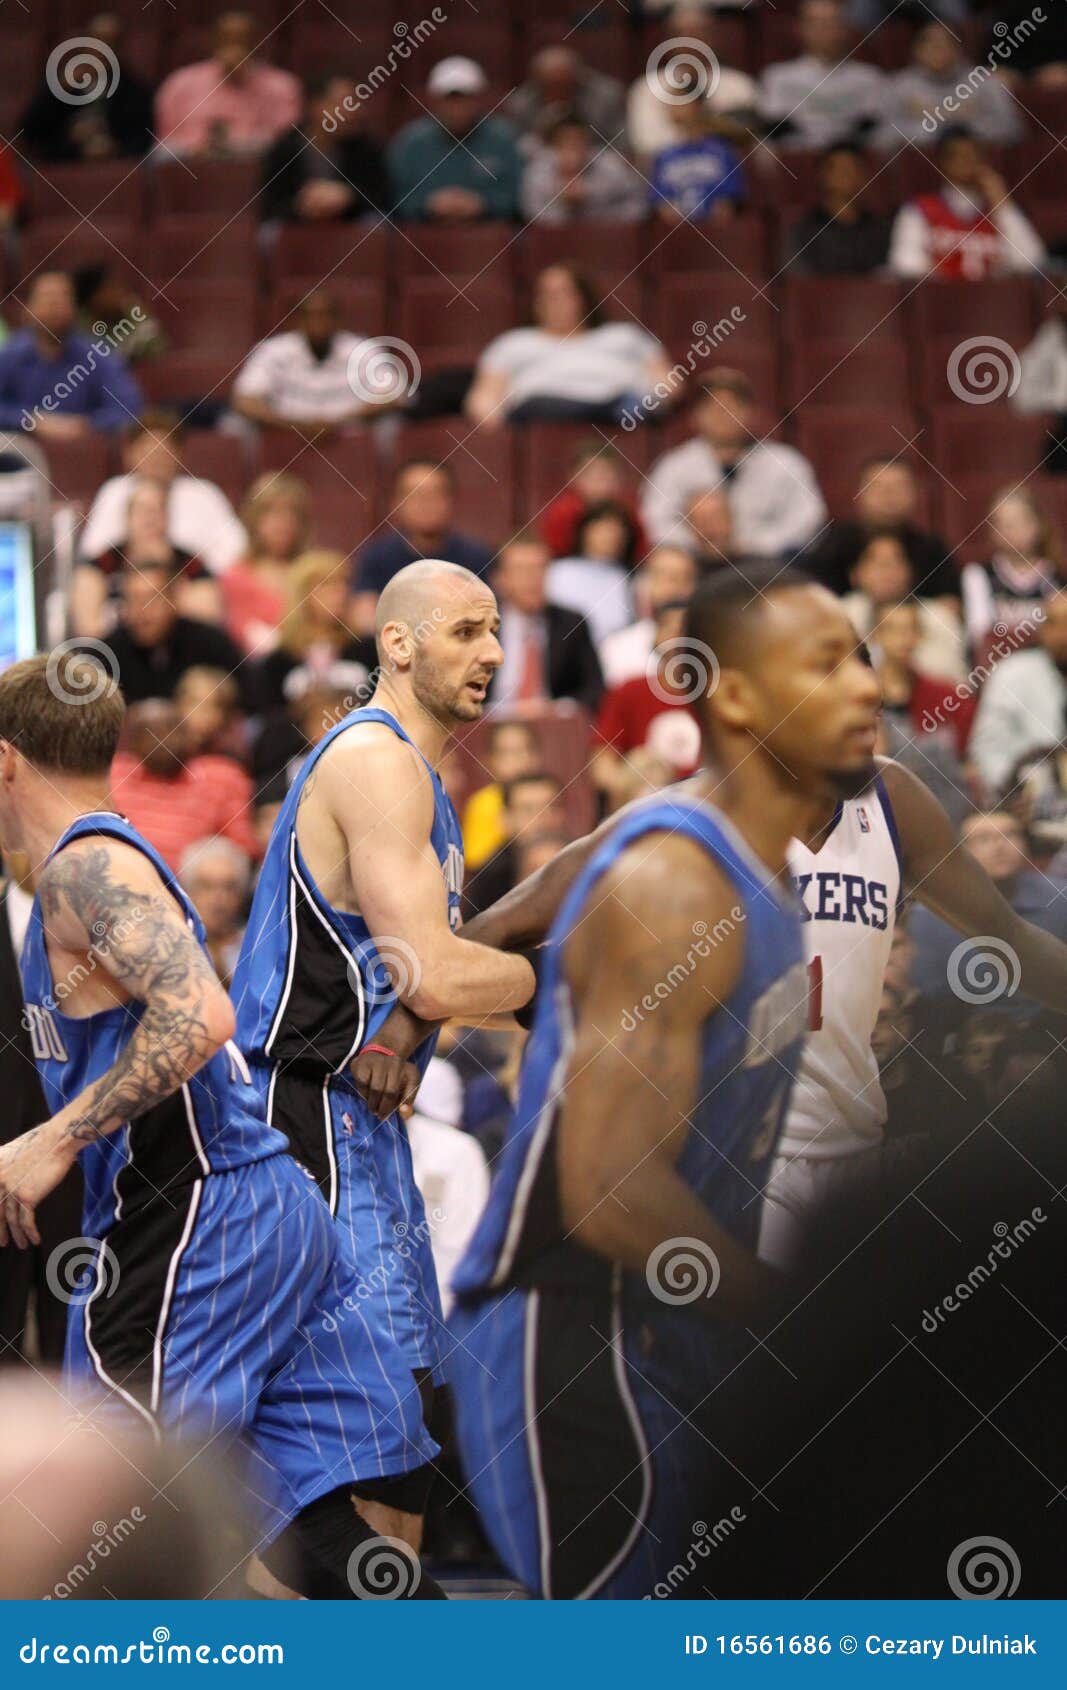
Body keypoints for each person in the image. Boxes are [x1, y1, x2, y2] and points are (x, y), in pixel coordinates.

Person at [446, 564, 883, 1597]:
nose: (865, 686)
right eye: (825, 663)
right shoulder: (675, 885)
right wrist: (800, 1319)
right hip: (573, 1329)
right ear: (731, 695)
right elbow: (607, 1189)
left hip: (672, 1325)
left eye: (861, 659)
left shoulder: (753, 868)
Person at [0, 653, 444, 1600]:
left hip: (192, 1221)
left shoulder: (86, 867)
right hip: (264, 1206)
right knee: (321, 1530)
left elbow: (200, 1016)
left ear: (5, 764)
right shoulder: (91, 865)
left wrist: (54, 1139)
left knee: (109, 1532)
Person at [230, 561, 538, 1551]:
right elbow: (437, 971)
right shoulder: (374, 759)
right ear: (396, 645)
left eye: (495, 630)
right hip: (299, 1118)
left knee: (392, 1431)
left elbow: (405, 980)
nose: (491, 650)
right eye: (464, 630)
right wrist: (556, 977)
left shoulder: (421, 776)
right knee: (353, 1433)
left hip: (355, 1120)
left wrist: (405, 1030)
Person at [760, 765, 1067, 1268]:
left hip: (857, 1142)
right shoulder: (689, 817)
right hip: (749, 1157)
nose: (864, 691)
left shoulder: (892, 795)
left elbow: (1005, 935)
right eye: (832, 680)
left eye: (870, 681)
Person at [904, 809, 1067, 1027]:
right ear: (961, 852)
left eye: (1010, 835)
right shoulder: (931, 916)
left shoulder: (1059, 897)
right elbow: (932, 998)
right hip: (961, 1036)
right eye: (984, 840)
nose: (1000, 847)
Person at [642, 368, 826, 559]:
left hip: (766, 564)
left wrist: (752, 545)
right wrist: (702, 547)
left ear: (750, 412)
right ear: (695, 416)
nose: (722, 414)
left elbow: (808, 519)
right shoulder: (673, 466)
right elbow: (657, 520)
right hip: (695, 566)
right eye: (713, 406)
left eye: (732, 405)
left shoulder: (787, 462)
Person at [466, 262, 672, 430]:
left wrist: (650, 403)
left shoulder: (625, 336)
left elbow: (668, 385)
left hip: (620, 412)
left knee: (629, 406)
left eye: (563, 292)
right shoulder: (512, 343)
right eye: (546, 294)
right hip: (540, 414)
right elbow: (484, 401)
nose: (554, 301)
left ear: (583, 297)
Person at [80, 410, 247, 575]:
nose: (156, 460)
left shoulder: (204, 493)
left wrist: (200, 577)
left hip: (192, 586)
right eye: (147, 451)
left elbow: (236, 550)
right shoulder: (114, 491)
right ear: (129, 455)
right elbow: (93, 550)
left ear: (179, 455)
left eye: (163, 452)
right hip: (127, 586)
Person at [110, 700, 259, 871]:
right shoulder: (113, 774)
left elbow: (243, 849)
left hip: (195, 889)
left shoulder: (223, 777)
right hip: (120, 883)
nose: (162, 740)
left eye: (170, 729)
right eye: (150, 733)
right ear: (133, 742)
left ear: (187, 734)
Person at [352, 460, 494, 632]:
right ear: (396, 503)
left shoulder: (477, 558)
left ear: (451, 501)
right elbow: (364, 621)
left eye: (434, 494)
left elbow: (487, 619)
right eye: (414, 495)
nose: (425, 503)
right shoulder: (376, 558)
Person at [94, 561, 252, 712]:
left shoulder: (212, 644)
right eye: (134, 599)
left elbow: (247, 703)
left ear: (173, 598)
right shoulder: (106, 654)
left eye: (152, 598)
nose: (143, 610)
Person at [72, 478, 220, 639]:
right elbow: (88, 628)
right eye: (142, 510)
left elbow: (207, 617)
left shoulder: (190, 563)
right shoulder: (101, 563)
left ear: (168, 518)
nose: (150, 519)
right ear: (127, 517)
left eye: (157, 511)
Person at [887, 128, 1045, 280]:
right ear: (942, 162)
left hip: (993, 301)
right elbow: (904, 266)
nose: (967, 163)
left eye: (973, 156)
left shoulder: (1001, 211)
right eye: (958, 156)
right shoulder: (918, 209)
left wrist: (1002, 202)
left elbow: (1032, 261)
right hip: (937, 301)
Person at [590, 600, 703, 811]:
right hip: (645, 802)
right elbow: (602, 763)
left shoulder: (717, 694)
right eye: (671, 629)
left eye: (688, 630)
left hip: (705, 801)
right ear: (656, 636)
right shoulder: (630, 690)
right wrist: (631, 791)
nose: (679, 638)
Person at [0, 271, 142, 437]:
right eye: (47, 298)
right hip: (21, 451)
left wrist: (85, 424)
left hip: (83, 449)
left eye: (62, 297)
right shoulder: (9, 355)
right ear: (29, 309)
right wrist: (31, 420)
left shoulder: (97, 356)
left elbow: (129, 408)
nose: (54, 305)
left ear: (74, 307)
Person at [233, 291, 392, 437]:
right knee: (234, 424)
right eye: (310, 316)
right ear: (295, 321)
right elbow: (245, 401)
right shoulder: (272, 350)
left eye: (325, 315)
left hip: (350, 433)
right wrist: (299, 426)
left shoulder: (363, 349)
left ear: (337, 320)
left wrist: (338, 422)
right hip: (285, 432)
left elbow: (394, 396)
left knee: (390, 422)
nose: (318, 322)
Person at [387, 57, 523, 223]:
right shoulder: (411, 141)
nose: (457, 107)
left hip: (488, 232)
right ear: (434, 100)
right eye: (450, 99)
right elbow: (394, 197)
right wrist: (427, 204)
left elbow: (518, 196)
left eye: (465, 98)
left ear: (478, 99)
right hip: (424, 232)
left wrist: (483, 204)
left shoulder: (504, 139)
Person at [804, 453, 958, 599]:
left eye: (898, 487)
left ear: (915, 493)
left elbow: (950, 605)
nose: (888, 495)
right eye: (878, 486)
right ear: (860, 492)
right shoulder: (832, 545)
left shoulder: (932, 549)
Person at [154, 9, 301, 159]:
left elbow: (285, 144)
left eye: (243, 41)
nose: (235, 49)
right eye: (227, 40)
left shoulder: (282, 86)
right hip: (193, 167)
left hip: (255, 170)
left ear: (258, 43)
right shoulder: (180, 83)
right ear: (213, 42)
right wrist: (196, 151)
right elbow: (164, 144)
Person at [247, 550, 376, 717]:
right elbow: (269, 720)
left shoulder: (367, 650)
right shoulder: (279, 661)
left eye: (343, 584)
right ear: (302, 594)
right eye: (326, 584)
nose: (339, 593)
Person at [626, 5, 759, 161]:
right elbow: (646, 144)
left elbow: (748, 139)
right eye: (682, 34)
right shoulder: (646, 88)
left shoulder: (740, 85)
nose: (691, 41)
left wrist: (693, 124)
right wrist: (714, 129)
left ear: (713, 38)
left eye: (699, 33)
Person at [969, 590, 1067, 798]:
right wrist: (1014, 793)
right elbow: (987, 748)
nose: (1063, 634)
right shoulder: (1012, 673)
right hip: (1029, 797)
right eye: (1056, 624)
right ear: (1042, 630)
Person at [490, 533, 604, 711]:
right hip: (491, 726)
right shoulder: (481, 625)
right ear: (500, 579)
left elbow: (594, 689)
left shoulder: (571, 623)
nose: (532, 579)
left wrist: (559, 709)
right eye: (521, 570)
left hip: (553, 726)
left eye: (539, 569)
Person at [19, 11, 154, 161]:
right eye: (96, 41)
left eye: (110, 43)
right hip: (65, 166)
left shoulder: (135, 90)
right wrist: (71, 141)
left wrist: (113, 148)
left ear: (120, 49)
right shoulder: (62, 84)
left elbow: (141, 141)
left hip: (114, 169)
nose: (102, 49)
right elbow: (30, 133)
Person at [260, 71, 389, 225]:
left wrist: (348, 196)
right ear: (315, 106)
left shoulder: (366, 148)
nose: (353, 111)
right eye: (343, 103)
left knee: (376, 223)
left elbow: (381, 198)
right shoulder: (285, 148)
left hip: (350, 222)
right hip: (298, 224)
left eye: (356, 102)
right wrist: (302, 205)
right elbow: (269, 205)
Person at [875, 20, 1024, 151]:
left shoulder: (986, 82)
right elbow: (880, 137)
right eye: (930, 43)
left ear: (960, 49)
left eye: (947, 42)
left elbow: (1013, 129)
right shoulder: (898, 86)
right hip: (920, 168)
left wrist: (966, 130)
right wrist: (930, 131)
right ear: (916, 50)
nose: (939, 49)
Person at [759, 0, 886, 151]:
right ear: (800, 28)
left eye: (831, 22)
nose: (824, 30)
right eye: (815, 23)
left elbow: (879, 132)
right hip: (801, 163)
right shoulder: (777, 77)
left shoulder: (870, 78)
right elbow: (775, 131)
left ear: (845, 28)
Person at [841, 531, 964, 680]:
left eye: (895, 562)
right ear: (856, 573)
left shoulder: (940, 618)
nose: (886, 571)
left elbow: (951, 677)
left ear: (910, 572)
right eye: (877, 563)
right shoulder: (841, 615)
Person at [960, 488, 1063, 666]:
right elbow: (979, 637)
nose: (1011, 531)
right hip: (998, 669)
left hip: (1050, 669)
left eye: (1018, 521)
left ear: (1037, 524)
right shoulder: (978, 575)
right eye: (1003, 524)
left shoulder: (1057, 577)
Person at [866, 599, 974, 757]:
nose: (902, 638)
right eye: (892, 629)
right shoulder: (860, 696)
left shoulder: (948, 697)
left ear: (920, 635)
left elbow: (966, 758)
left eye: (910, 629)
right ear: (874, 635)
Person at [222, 474, 311, 657]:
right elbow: (243, 636)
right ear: (254, 519)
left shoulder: (314, 572)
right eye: (272, 512)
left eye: (292, 514)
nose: (283, 523)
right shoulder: (235, 576)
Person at [464, 771, 569, 916]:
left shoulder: (583, 862)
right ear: (505, 820)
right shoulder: (490, 877)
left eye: (552, 807)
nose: (543, 818)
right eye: (528, 810)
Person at [782, 144, 892, 276]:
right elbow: (798, 284)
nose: (846, 176)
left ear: (863, 176)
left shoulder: (881, 230)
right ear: (823, 175)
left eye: (853, 169)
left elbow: (887, 278)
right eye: (840, 169)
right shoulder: (802, 231)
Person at [599, 544, 700, 685]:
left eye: (686, 578)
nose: (676, 588)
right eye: (666, 577)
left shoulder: (712, 641)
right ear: (643, 584)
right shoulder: (618, 645)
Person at [520, 118, 646, 225]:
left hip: (604, 239)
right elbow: (530, 212)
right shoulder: (539, 170)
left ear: (588, 144)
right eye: (565, 144)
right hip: (555, 242)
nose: (573, 152)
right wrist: (563, 203)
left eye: (578, 143)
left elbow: (639, 206)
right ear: (554, 147)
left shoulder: (611, 165)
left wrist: (591, 198)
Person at [545, 501, 638, 645]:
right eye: (603, 529)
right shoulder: (559, 571)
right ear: (585, 531)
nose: (609, 538)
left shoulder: (628, 578)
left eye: (616, 531)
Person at [541, 440, 649, 561]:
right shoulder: (562, 513)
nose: (599, 483)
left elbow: (641, 555)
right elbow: (552, 555)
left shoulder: (628, 513)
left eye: (606, 475)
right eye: (591, 475)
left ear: (619, 479)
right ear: (573, 477)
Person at [461, 719, 542, 871]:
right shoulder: (483, 803)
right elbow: (475, 864)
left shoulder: (546, 794)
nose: (520, 759)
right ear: (490, 761)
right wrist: (508, 835)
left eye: (526, 750)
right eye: (508, 752)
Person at [649, 96, 744, 225]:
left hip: (716, 232)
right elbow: (662, 205)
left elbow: (727, 204)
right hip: (678, 234)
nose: (671, 107)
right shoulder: (664, 156)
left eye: (678, 101)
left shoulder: (722, 151)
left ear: (697, 105)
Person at [505, 45, 626, 143]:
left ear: (577, 79)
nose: (559, 92)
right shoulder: (521, 102)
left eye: (564, 86)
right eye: (551, 86)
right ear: (538, 83)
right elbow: (516, 146)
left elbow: (619, 141)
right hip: (541, 159)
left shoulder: (607, 96)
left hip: (596, 156)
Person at [180, 836, 251, 990]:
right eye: (206, 887)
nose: (219, 900)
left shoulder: (255, 949)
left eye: (229, 888)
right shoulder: (169, 948)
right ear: (187, 891)